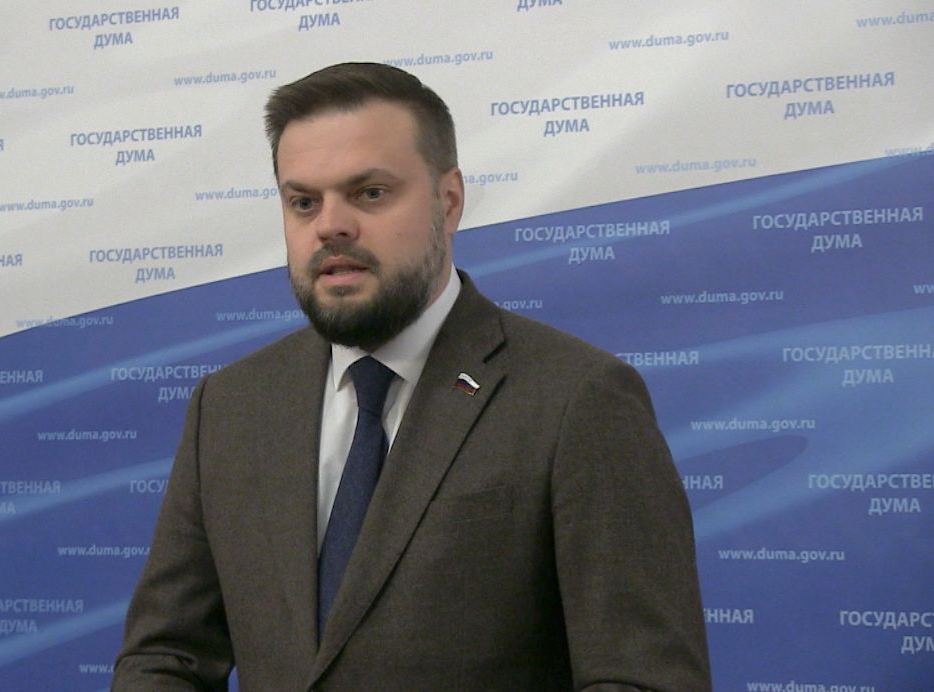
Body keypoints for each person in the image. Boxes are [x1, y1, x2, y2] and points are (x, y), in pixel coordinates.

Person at [112, 62, 710, 691]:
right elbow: (167, 656)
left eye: (370, 193)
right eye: (303, 202)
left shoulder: (577, 398)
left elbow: (643, 679)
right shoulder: (232, 405)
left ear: (448, 202)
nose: (330, 225)